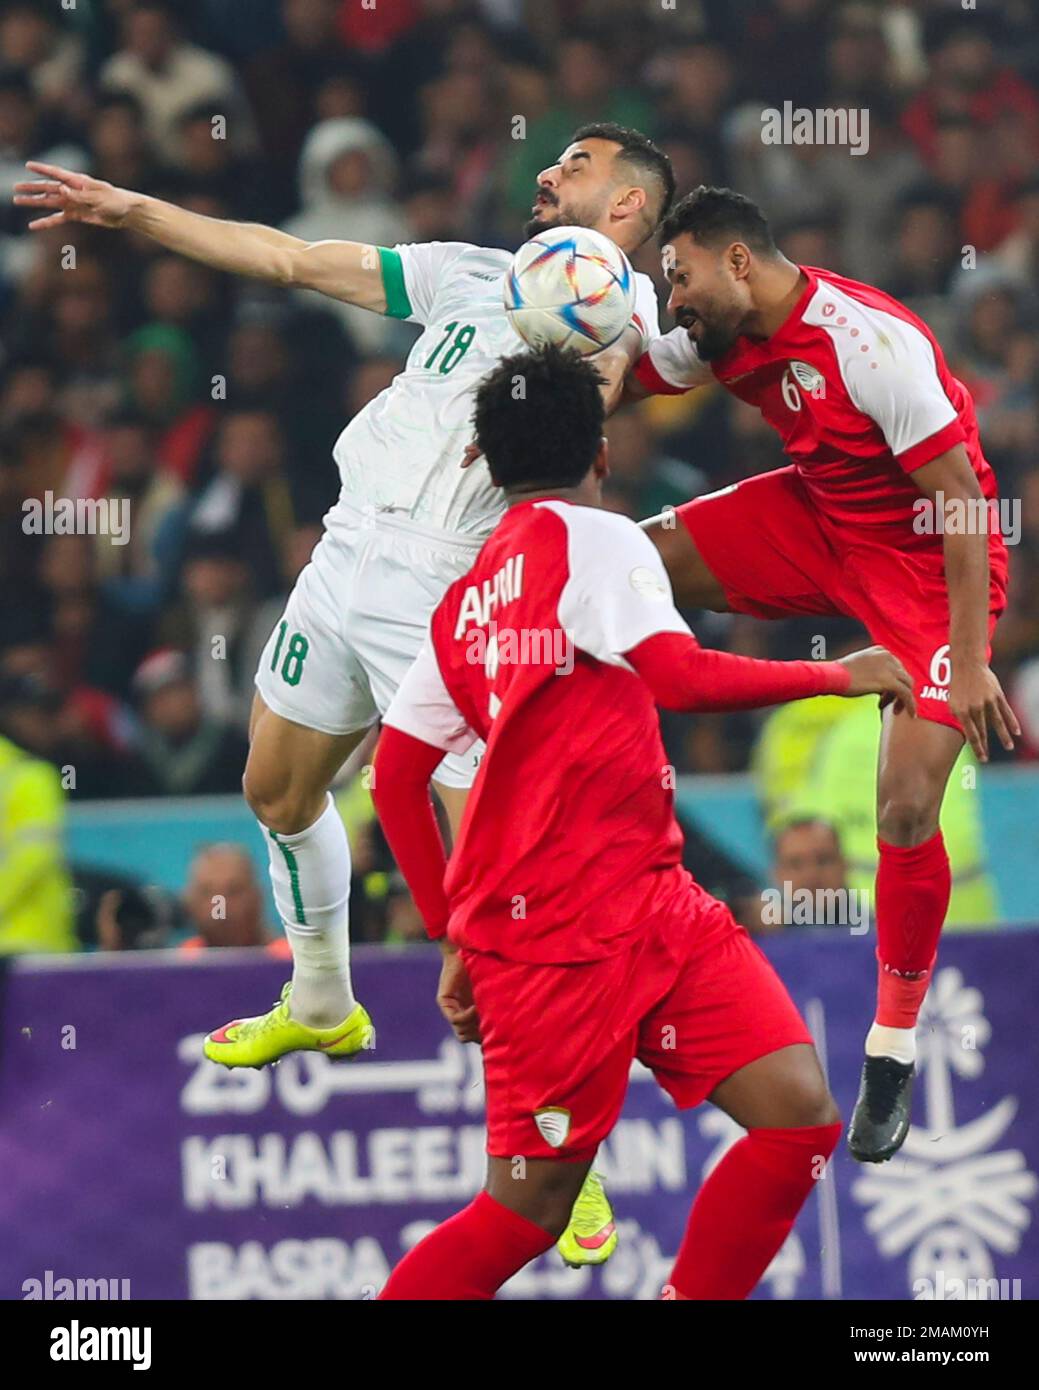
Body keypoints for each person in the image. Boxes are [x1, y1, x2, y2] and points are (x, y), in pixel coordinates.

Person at [14, 123, 674, 1259]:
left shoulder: (628, 319)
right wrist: (137, 212)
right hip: (342, 555)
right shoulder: (470, 272)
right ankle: (321, 993)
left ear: (625, 209)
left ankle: (566, 1150)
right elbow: (288, 257)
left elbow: (623, 389)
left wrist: (600, 348)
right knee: (275, 789)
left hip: (455, 592)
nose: (545, 173)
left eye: (573, 165)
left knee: (502, 894)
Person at [369, 345, 913, 1299]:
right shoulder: (600, 537)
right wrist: (838, 672)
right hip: (553, 943)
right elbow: (679, 676)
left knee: (797, 1120)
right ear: (603, 453)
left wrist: (445, 929)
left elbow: (397, 775)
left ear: (486, 468)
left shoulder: (463, 605)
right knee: (525, 1212)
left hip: (655, 905)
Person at [631, 185, 1018, 1162]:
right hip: (818, 520)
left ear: (735, 263)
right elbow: (626, 374)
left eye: (677, 277)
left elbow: (965, 501)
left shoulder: (866, 342)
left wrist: (967, 660)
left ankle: (890, 1046)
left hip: (932, 564)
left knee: (900, 809)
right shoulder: (713, 330)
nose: (670, 299)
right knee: (631, 558)